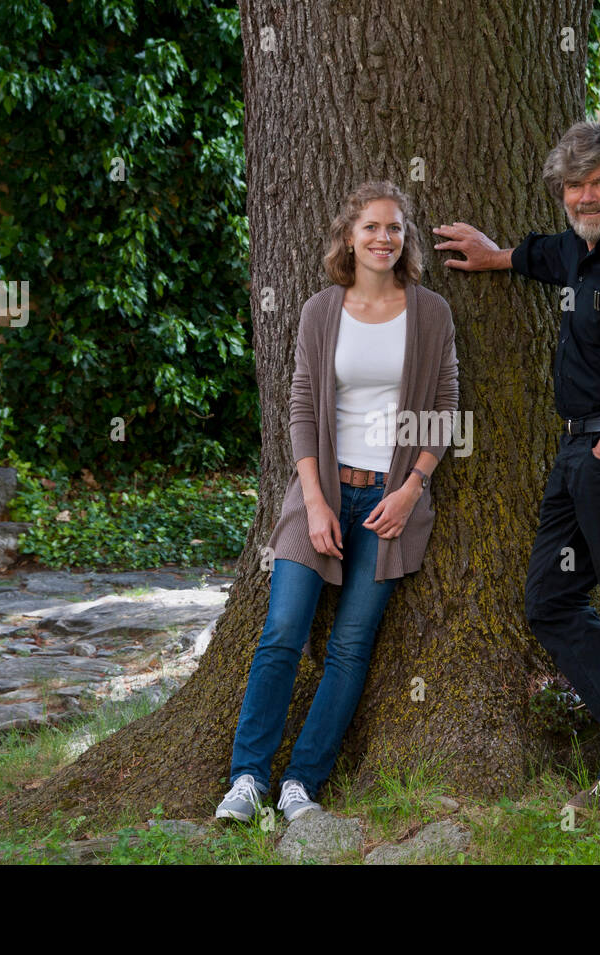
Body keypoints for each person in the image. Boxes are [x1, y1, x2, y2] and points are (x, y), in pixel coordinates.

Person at [433, 117, 600, 814]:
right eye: (574, 185)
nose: (585, 196)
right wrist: (496, 257)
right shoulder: (583, 248)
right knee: (550, 599)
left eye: (599, 182)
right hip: (581, 449)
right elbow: (547, 255)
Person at [216, 180, 459, 823]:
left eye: (396, 228)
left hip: (389, 503)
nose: (385, 238)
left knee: (351, 646)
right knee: (283, 633)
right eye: (373, 227)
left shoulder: (430, 312)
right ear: (349, 236)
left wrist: (411, 489)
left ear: (405, 241)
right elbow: (300, 407)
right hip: (318, 496)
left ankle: (302, 783)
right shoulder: (322, 311)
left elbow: (443, 409)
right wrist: (316, 500)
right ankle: (247, 779)